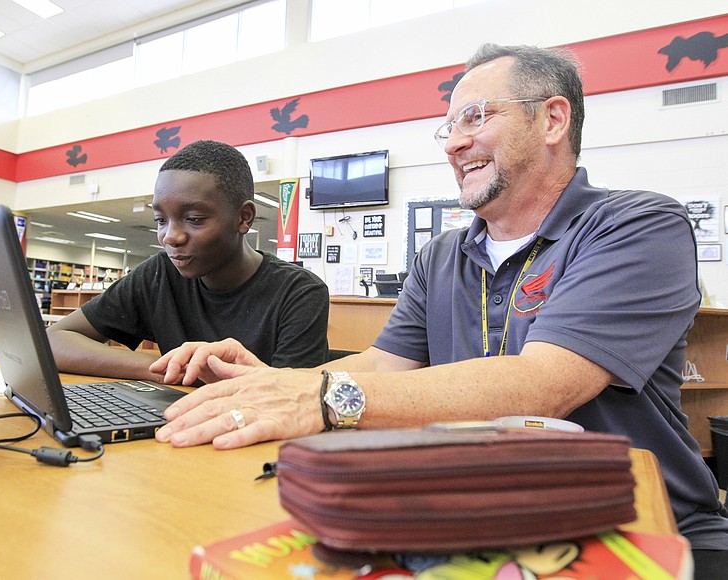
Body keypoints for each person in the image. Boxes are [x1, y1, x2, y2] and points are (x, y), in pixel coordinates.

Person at [149, 45, 728, 574]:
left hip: (641, 530)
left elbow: (544, 382)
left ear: (553, 119)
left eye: (477, 117)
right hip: (472, 525)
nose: (453, 143)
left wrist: (319, 398)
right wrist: (273, 381)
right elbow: (383, 365)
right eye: (450, 126)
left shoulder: (637, 226)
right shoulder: (443, 254)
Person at [46, 139, 329, 381]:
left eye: (194, 220)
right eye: (160, 220)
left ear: (244, 218)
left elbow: (293, 396)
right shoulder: (159, 274)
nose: (171, 236)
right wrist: (171, 367)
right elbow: (53, 341)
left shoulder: (299, 292)